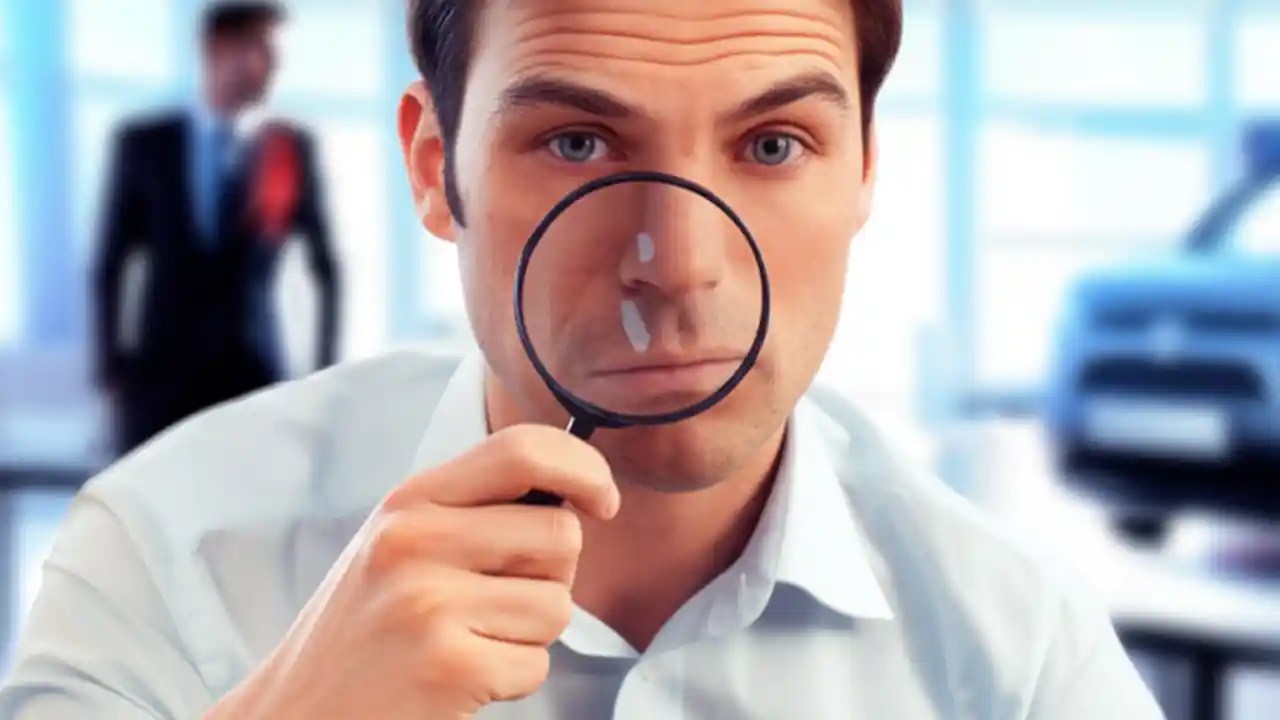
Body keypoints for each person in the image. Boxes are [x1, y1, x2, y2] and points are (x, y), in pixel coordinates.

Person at [2, 0, 1164, 718]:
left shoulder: (1016, 655)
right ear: (432, 166)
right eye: (575, 141)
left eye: (771, 144)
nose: (677, 262)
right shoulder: (164, 556)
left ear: (864, 168)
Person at [91, 0, 340, 457]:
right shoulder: (144, 144)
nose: (270, 69)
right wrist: (112, 370)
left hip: (252, 378)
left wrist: (324, 379)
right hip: (158, 383)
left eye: (275, 56)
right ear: (215, 48)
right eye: (259, 51)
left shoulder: (289, 151)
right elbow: (110, 263)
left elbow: (327, 269)